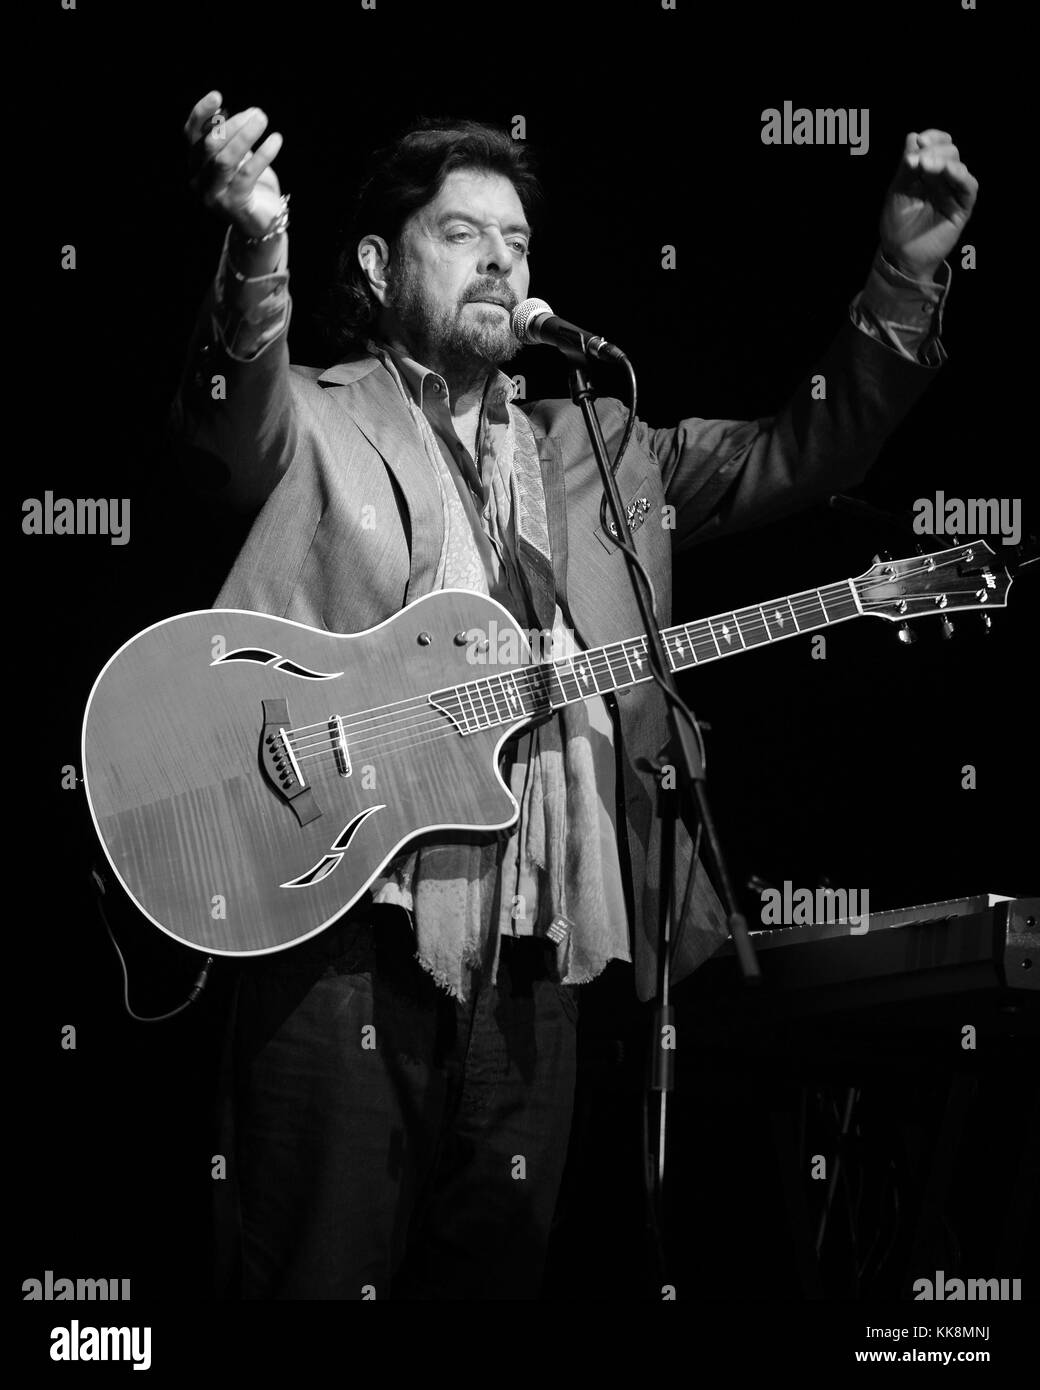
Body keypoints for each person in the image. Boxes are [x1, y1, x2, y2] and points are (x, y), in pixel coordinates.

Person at [175, 91, 976, 1299]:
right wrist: (252, 244)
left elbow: (804, 451)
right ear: (376, 264)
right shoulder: (318, 415)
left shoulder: (602, 448)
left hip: (535, 969)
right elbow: (225, 424)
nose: (500, 259)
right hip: (336, 944)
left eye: (517, 240)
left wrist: (903, 275)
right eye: (461, 234)